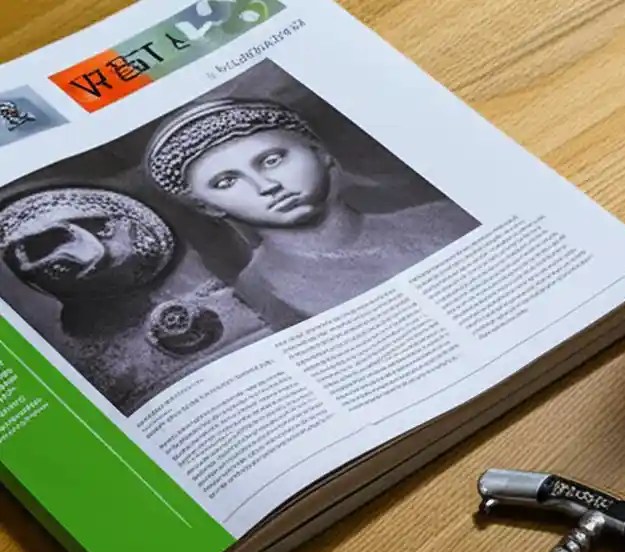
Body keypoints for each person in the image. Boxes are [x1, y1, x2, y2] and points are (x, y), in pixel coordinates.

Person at [145, 98, 478, 329]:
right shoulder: (256, 291)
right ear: (209, 206)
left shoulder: (444, 217)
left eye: (272, 160)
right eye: (227, 181)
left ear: (320, 153)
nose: (265, 186)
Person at [0, 187, 270, 414]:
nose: (29, 268)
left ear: (108, 228)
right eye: (17, 260)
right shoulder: (86, 364)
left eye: (45, 245)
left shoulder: (240, 293)